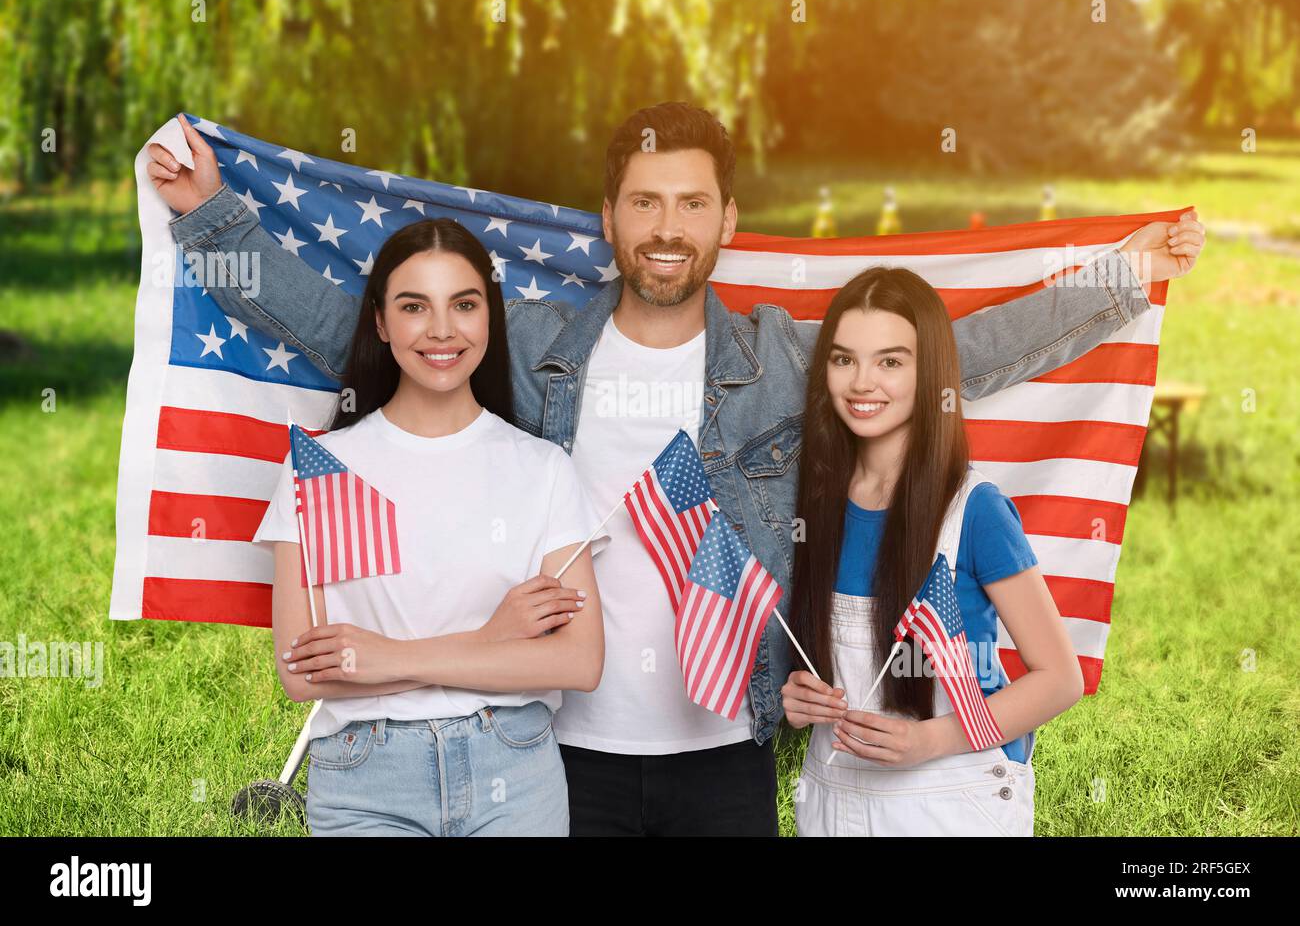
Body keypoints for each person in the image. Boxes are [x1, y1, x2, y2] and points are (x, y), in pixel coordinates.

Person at [148, 101, 1205, 836]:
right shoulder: (538, 346)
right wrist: (210, 214)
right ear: (609, 220)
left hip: (724, 747)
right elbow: (359, 334)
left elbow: (951, 355)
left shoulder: (783, 357)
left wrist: (1124, 278)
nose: (666, 228)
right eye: (644, 203)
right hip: (555, 745)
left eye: (691, 203)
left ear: (726, 222)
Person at [253, 216, 605, 836]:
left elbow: (578, 662)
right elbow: (301, 673)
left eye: (463, 305)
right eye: (415, 306)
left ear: (488, 319)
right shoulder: (320, 469)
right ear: (382, 323)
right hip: (364, 779)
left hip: (515, 772)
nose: (442, 330)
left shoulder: (544, 469)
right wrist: (493, 639)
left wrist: (383, 657)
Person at [782, 266, 1084, 836]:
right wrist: (799, 695)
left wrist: (931, 739)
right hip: (831, 796)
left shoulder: (975, 510)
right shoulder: (812, 501)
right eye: (844, 359)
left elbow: (1059, 678)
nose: (862, 382)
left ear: (931, 375)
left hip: (949, 796)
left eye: (890, 362)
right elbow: (814, 653)